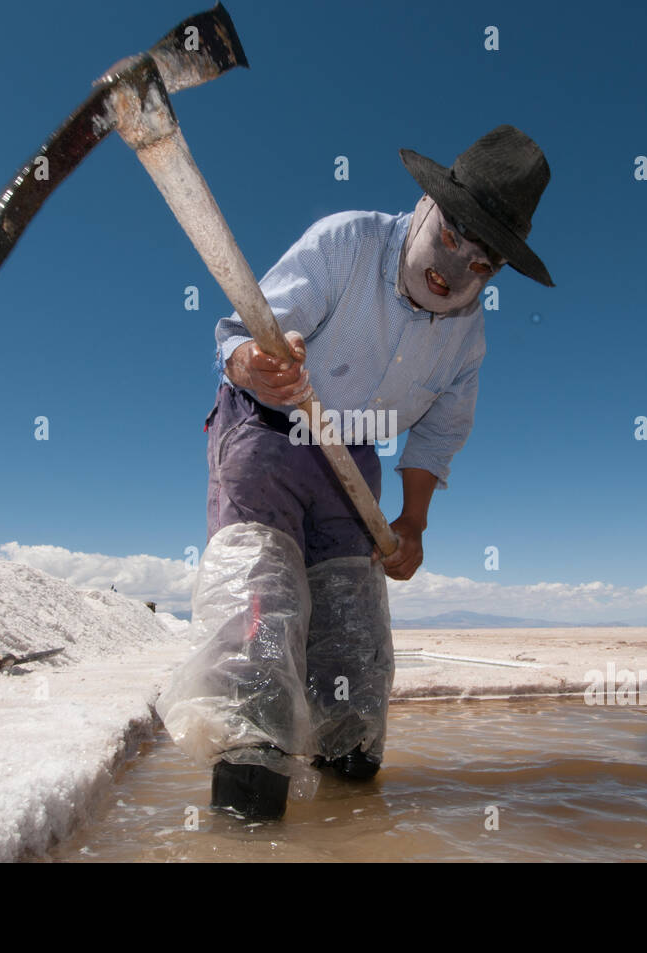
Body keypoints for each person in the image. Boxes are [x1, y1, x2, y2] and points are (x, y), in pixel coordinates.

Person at [155, 125, 554, 821]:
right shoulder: (348, 241)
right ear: (427, 205)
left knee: (355, 654)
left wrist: (413, 523)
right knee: (259, 624)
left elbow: (437, 433)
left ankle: (348, 819)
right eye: (453, 235)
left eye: (484, 262)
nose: (456, 266)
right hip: (267, 435)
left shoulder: (469, 336)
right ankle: (246, 827)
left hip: (355, 463)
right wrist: (262, 365)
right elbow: (238, 341)